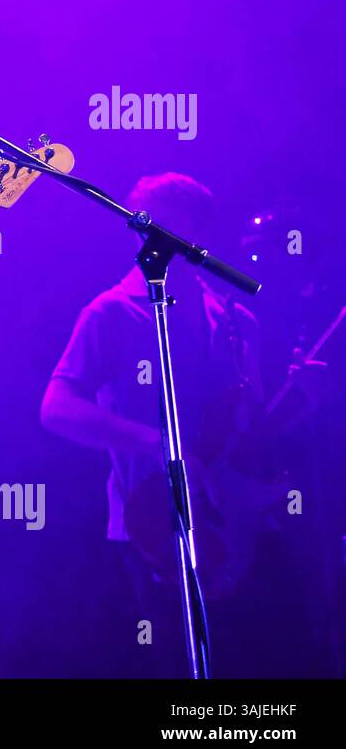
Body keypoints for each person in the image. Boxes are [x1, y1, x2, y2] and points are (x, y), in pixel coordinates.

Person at [41, 172, 325, 676]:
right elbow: (57, 407)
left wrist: (297, 402)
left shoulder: (237, 322)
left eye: (180, 226)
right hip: (154, 529)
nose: (160, 238)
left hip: (240, 528)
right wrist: (160, 443)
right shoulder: (110, 314)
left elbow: (250, 431)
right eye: (152, 226)